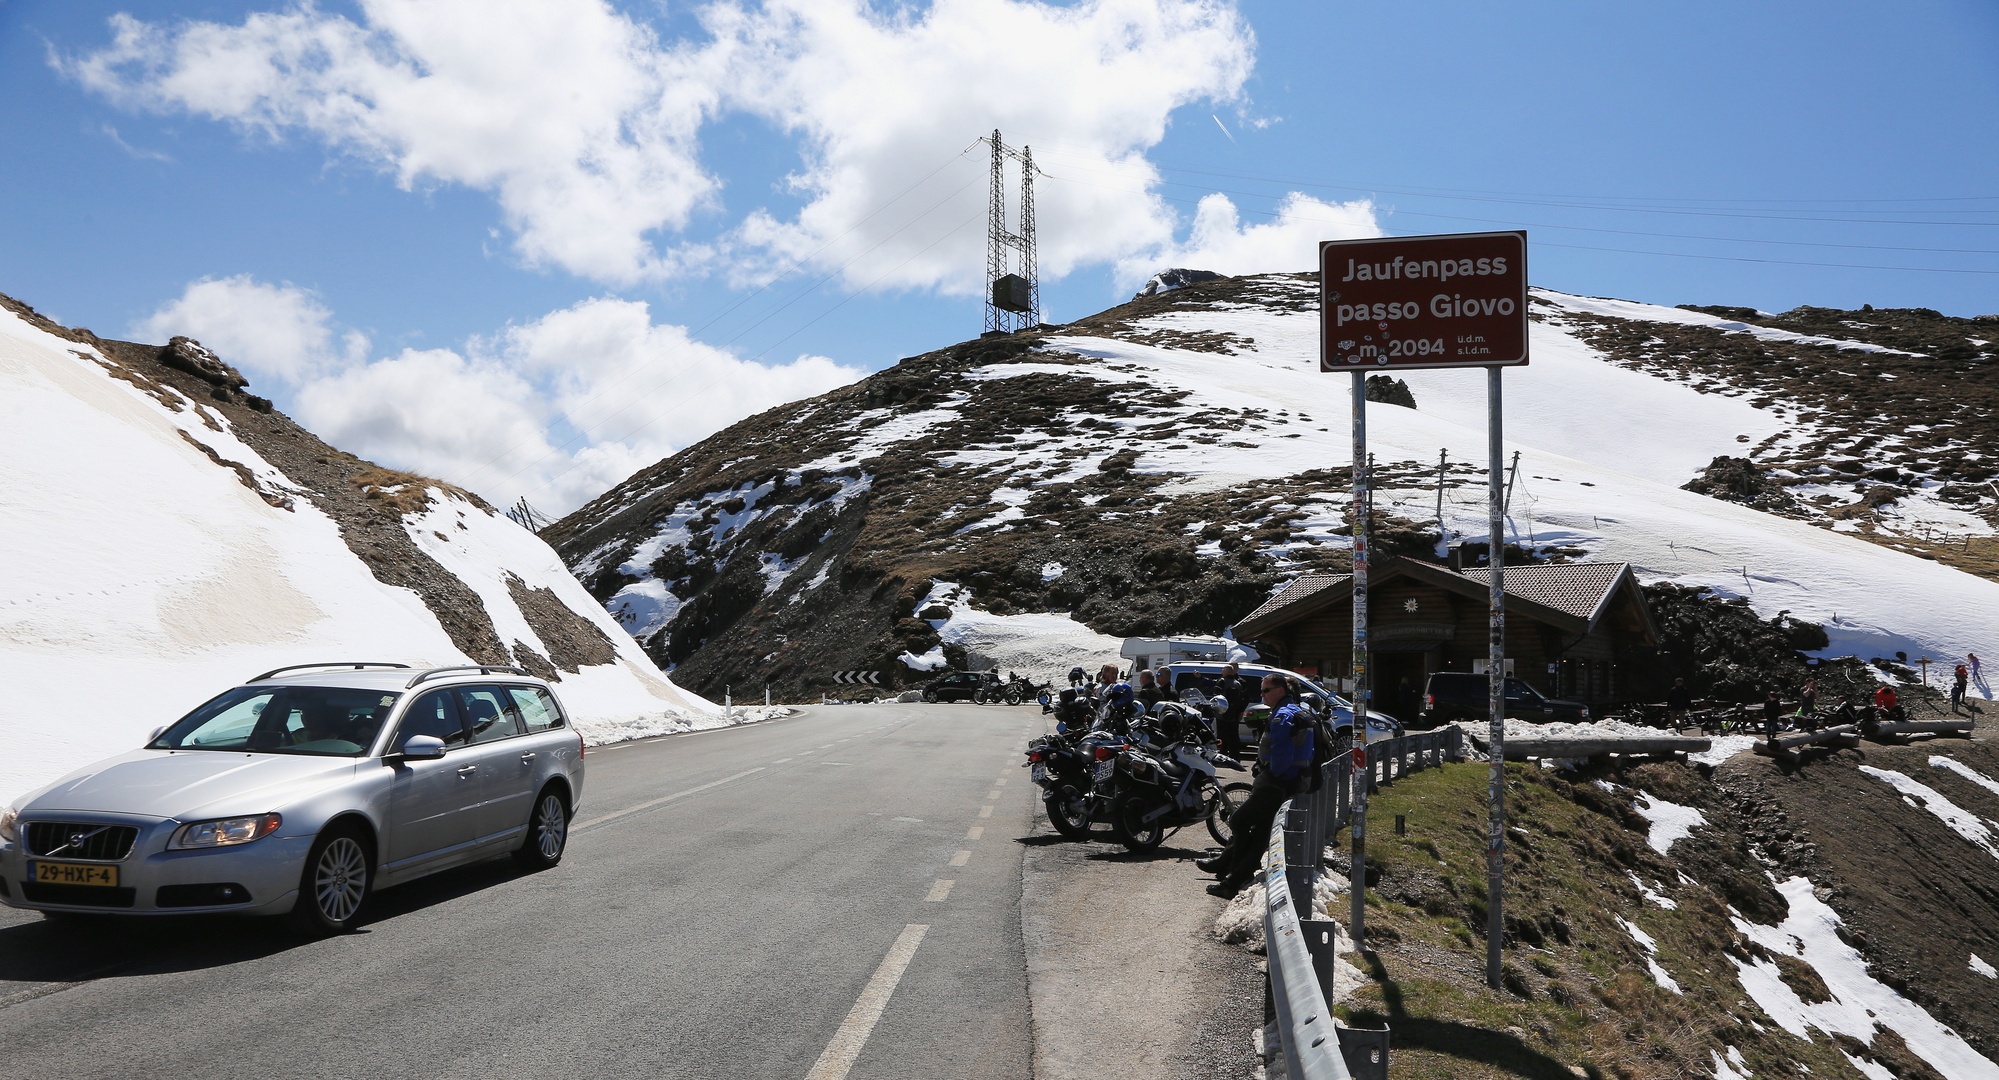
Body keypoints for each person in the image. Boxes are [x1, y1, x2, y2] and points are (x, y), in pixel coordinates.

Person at [1198, 675, 1313, 899]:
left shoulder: (1282, 716)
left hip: (1277, 783)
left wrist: (1271, 775)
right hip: (1292, 782)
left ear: (1280, 690)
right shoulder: (1295, 711)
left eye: (1265, 690)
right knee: (1260, 832)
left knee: (1240, 820)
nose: (1262, 695)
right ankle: (1233, 875)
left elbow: (1282, 755)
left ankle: (1232, 873)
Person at [1215, 662, 1254, 757]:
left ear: (1226, 671)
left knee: (1222, 735)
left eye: (1223, 670)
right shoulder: (1238, 683)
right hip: (1233, 713)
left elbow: (1216, 695)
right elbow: (1243, 699)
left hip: (1223, 712)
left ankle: (1223, 754)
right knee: (1233, 735)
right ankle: (1235, 756)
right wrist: (1239, 711)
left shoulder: (1222, 681)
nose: (1221, 672)